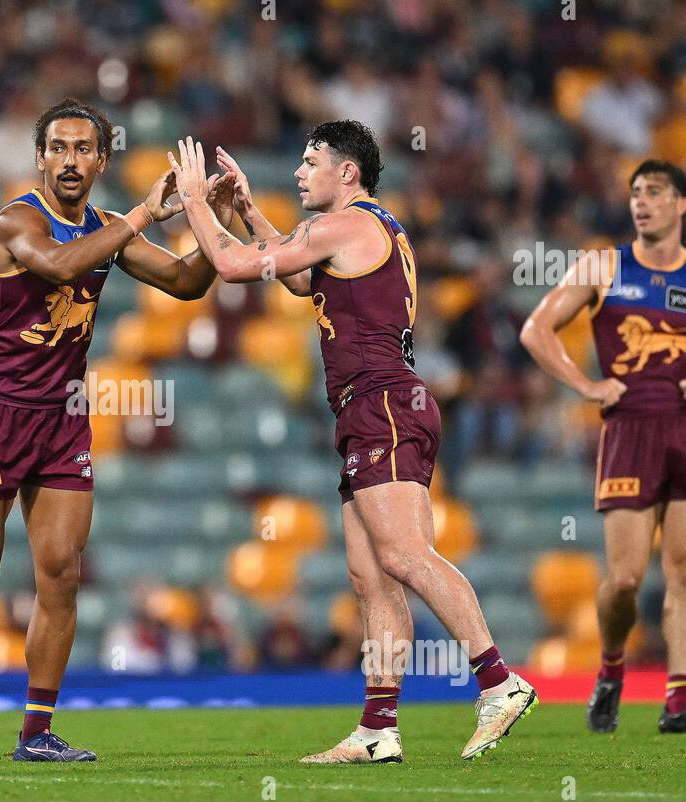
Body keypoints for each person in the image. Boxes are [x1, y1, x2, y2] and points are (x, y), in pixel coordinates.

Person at [169, 124, 537, 763]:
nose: (300, 173)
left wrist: (198, 200)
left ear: (347, 172)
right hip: (382, 404)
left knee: (402, 556)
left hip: (380, 404)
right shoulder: (368, 231)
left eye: (310, 162)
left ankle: (497, 679)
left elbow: (231, 267)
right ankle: (378, 728)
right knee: (371, 577)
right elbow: (299, 281)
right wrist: (250, 209)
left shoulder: (346, 225)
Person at [0, 98, 234, 762]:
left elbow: (188, 284)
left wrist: (208, 218)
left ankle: (36, 732)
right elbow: (58, 266)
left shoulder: (110, 227)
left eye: (84, 149)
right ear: (41, 156)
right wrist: (144, 212)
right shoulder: (16, 219)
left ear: (102, 159)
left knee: (61, 574)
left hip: (62, 421)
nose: (70, 160)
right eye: (59, 148)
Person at [521, 159, 686, 733]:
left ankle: (678, 704)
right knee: (626, 579)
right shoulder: (604, 266)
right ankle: (611, 667)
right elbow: (536, 330)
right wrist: (585, 386)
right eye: (636, 192)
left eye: (655, 192)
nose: (641, 202)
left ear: (682, 204)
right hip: (629, 429)